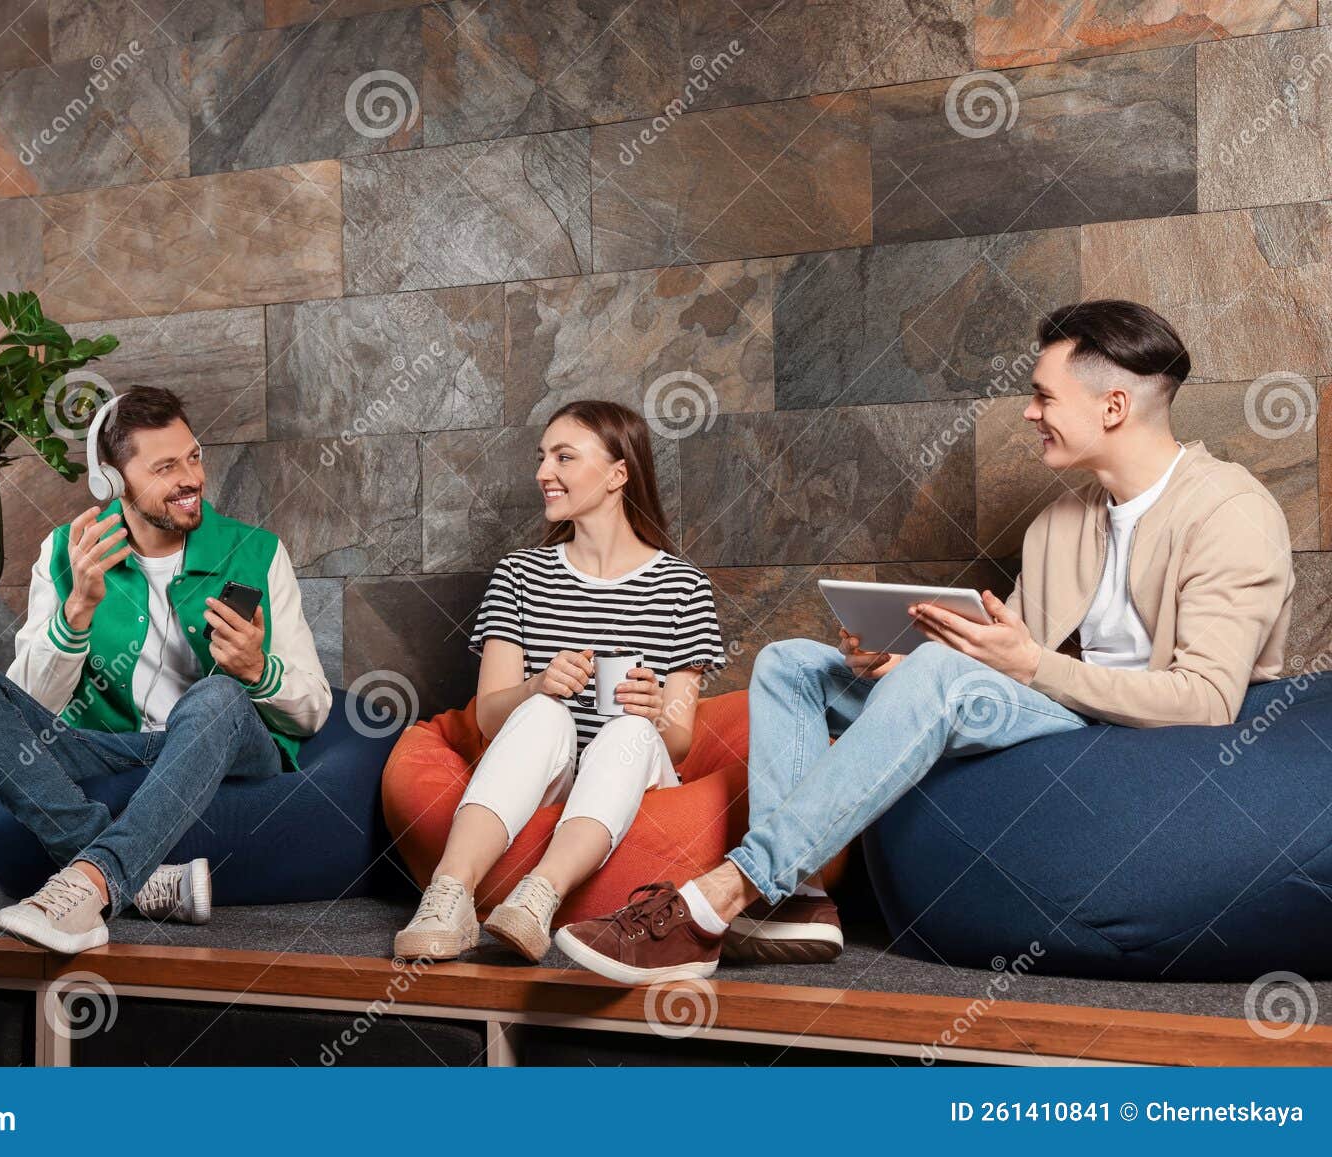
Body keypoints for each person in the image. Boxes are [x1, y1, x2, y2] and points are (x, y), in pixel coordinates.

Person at [555, 299, 1296, 984]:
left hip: (1156, 750)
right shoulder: (1061, 523)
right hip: (1065, 719)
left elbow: (1205, 702)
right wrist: (900, 666)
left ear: (1113, 405)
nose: (1029, 412)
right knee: (792, 664)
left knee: (942, 671)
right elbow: (994, 667)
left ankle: (725, 891)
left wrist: (1021, 664)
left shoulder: (1229, 510)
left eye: (1043, 395)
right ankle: (798, 904)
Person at [0, 386, 330, 954]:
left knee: (213, 701)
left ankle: (89, 883)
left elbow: (314, 710)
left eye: (193, 456)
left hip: (225, 742)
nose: (190, 478)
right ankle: (142, 880)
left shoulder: (258, 551)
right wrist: (78, 613)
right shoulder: (69, 552)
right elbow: (30, 708)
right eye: (165, 467)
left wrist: (258, 670)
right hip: (110, 745)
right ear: (112, 482)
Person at [394, 400, 727, 963]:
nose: (543, 472)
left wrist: (653, 712)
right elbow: (487, 718)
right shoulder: (520, 575)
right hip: (548, 773)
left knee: (629, 732)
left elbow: (679, 743)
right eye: (543, 457)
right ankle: (448, 896)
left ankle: (538, 895)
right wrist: (537, 686)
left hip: (636, 777)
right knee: (545, 712)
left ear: (618, 473)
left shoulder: (684, 587)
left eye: (564, 457)